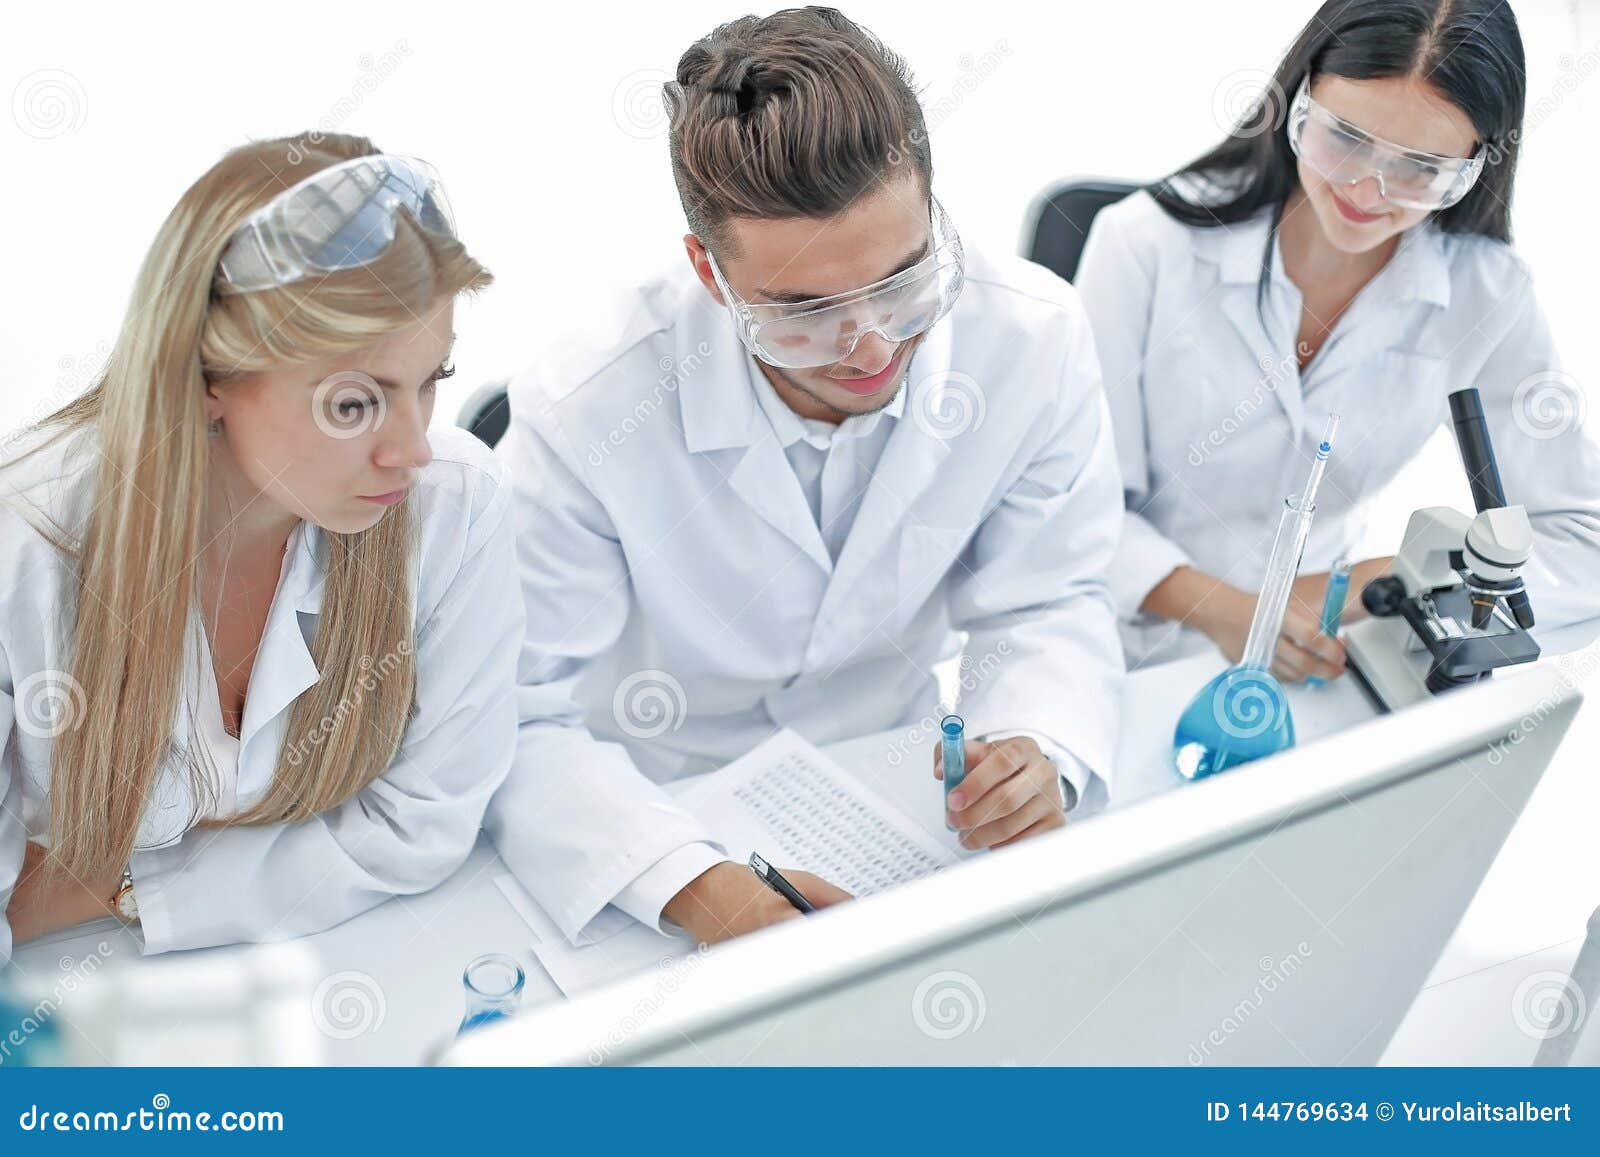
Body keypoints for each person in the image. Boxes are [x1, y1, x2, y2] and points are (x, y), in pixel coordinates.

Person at [490, 6, 1125, 947]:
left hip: (902, 783)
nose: (870, 345)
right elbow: (514, 711)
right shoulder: (588, 399)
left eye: (903, 279)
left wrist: (1038, 742)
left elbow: (1052, 597)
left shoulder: (1033, 336)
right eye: (803, 309)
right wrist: (696, 886)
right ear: (709, 271)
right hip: (654, 802)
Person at [0, 135, 521, 964]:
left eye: (431, 380)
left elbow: (423, 822)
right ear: (209, 375)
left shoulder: (452, 504)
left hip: (326, 966)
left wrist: (110, 885)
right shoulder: (23, 542)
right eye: (355, 402)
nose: (413, 448)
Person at [1076, 0, 1600, 675]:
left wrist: (1376, 580)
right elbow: (1066, 506)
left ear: (1474, 167)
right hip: (1118, 644)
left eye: (1421, 167)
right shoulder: (1144, 245)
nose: (1367, 189)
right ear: (1298, 100)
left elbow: (1586, 541)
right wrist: (1220, 607)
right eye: (1345, 136)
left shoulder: (1486, 293)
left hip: (1325, 649)